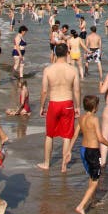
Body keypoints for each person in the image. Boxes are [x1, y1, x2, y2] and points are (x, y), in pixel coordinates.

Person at [68, 94, 108, 214]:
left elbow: (75, 135)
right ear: (95, 107)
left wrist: (69, 151)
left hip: (83, 151)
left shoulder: (81, 118)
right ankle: (81, 206)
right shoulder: (94, 119)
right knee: (95, 181)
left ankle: (93, 201)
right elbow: (100, 138)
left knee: (91, 176)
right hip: (93, 152)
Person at [37, 43, 81, 172]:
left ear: (55, 53)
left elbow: (44, 91)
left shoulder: (48, 69)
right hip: (68, 103)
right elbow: (77, 90)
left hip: (54, 103)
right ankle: (64, 166)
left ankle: (46, 163)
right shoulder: (73, 69)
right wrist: (78, 106)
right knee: (67, 136)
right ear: (67, 53)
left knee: (49, 135)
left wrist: (42, 106)